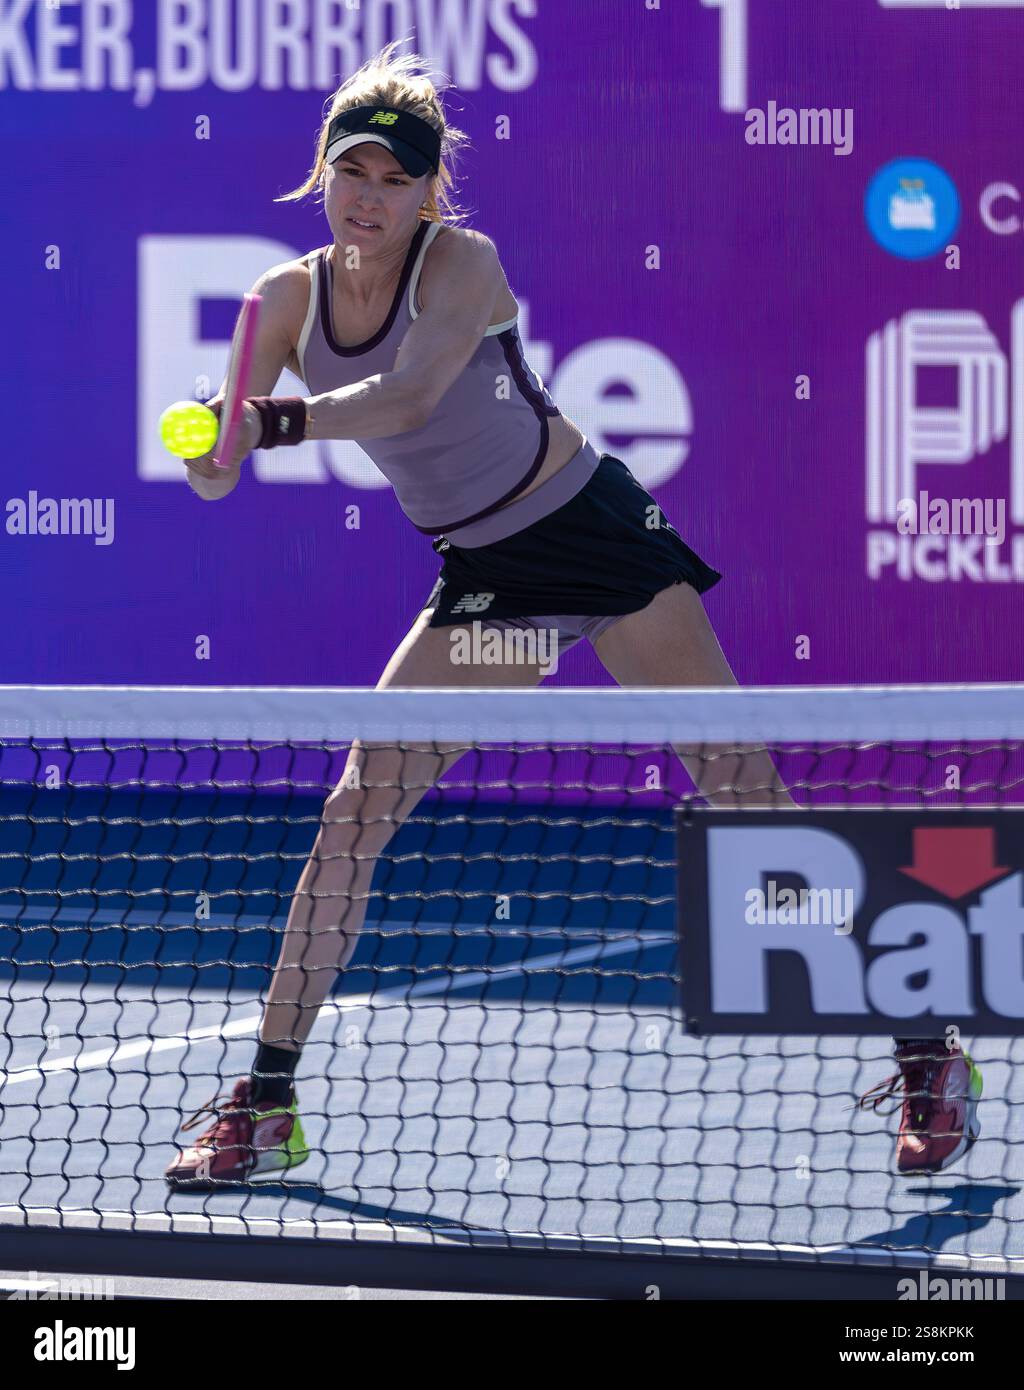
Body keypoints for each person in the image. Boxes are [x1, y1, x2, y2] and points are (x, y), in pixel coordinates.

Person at [166, 41, 976, 1189]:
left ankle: (924, 1048)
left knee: (746, 800)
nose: (371, 196)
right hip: (493, 596)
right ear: (323, 171)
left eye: (396, 179)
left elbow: (408, 393)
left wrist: (275, 421)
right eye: (353, 170)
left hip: (596, 545)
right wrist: (216, 435)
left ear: (428, 191)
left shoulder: (464, 266)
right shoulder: (278, 302)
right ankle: (267, 1102)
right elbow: (213, 479)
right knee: (356, 810)